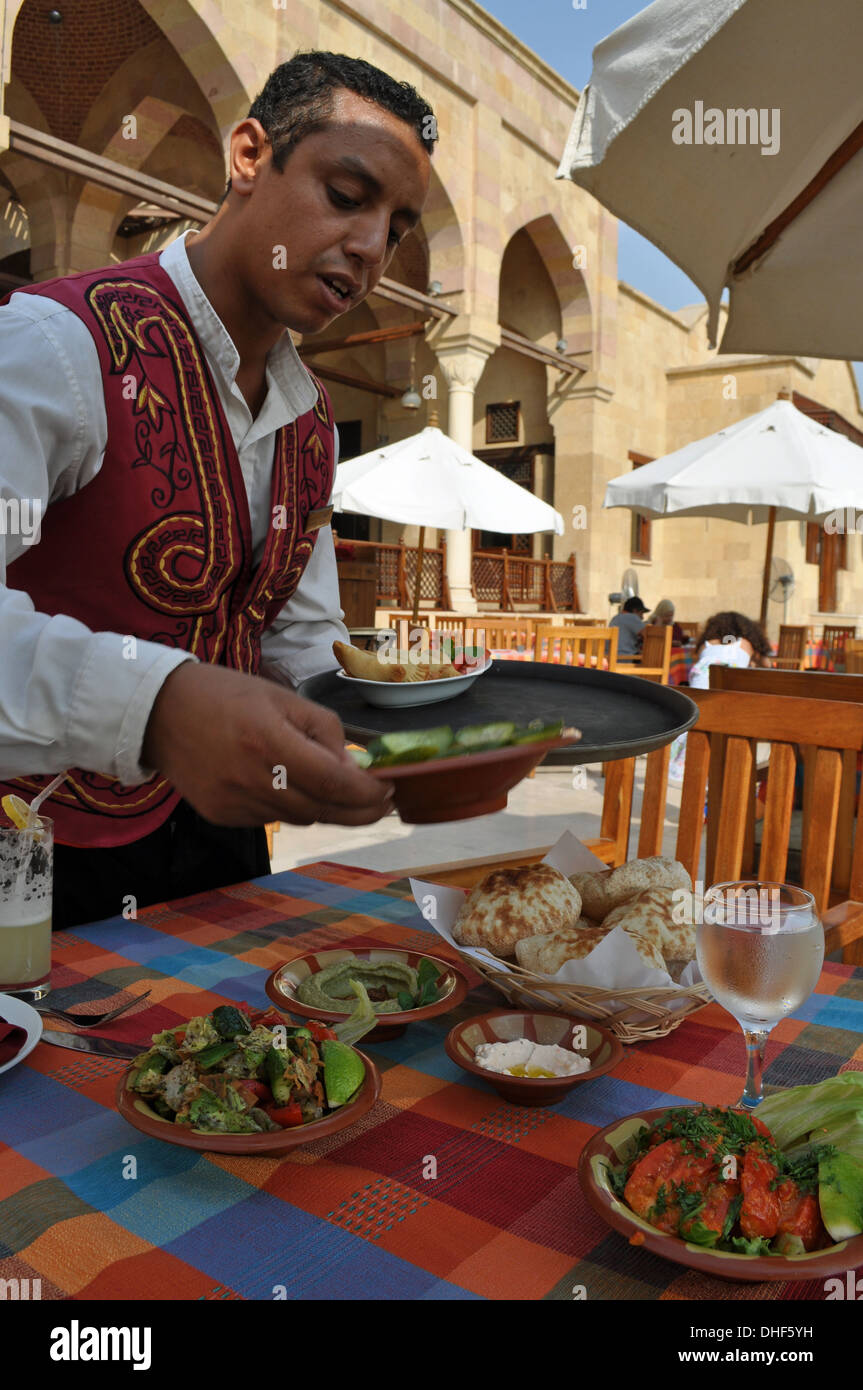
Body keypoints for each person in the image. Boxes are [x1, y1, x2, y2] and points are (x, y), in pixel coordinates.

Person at [0, 51, 435, 928]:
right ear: (248, 156)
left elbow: (298, 638)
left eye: (395, 228)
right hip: (36, 853)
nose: (368, 248)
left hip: (223, 848)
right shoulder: (59, 345)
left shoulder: (310, 419)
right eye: (346, 196)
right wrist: (155, 703)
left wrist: (403, 733)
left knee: (233, 1057)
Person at [688, 611, 773, 689]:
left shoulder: (706, 645)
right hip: (732, 689)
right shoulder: (745, 643)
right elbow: (767, 665)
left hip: (698, 689)